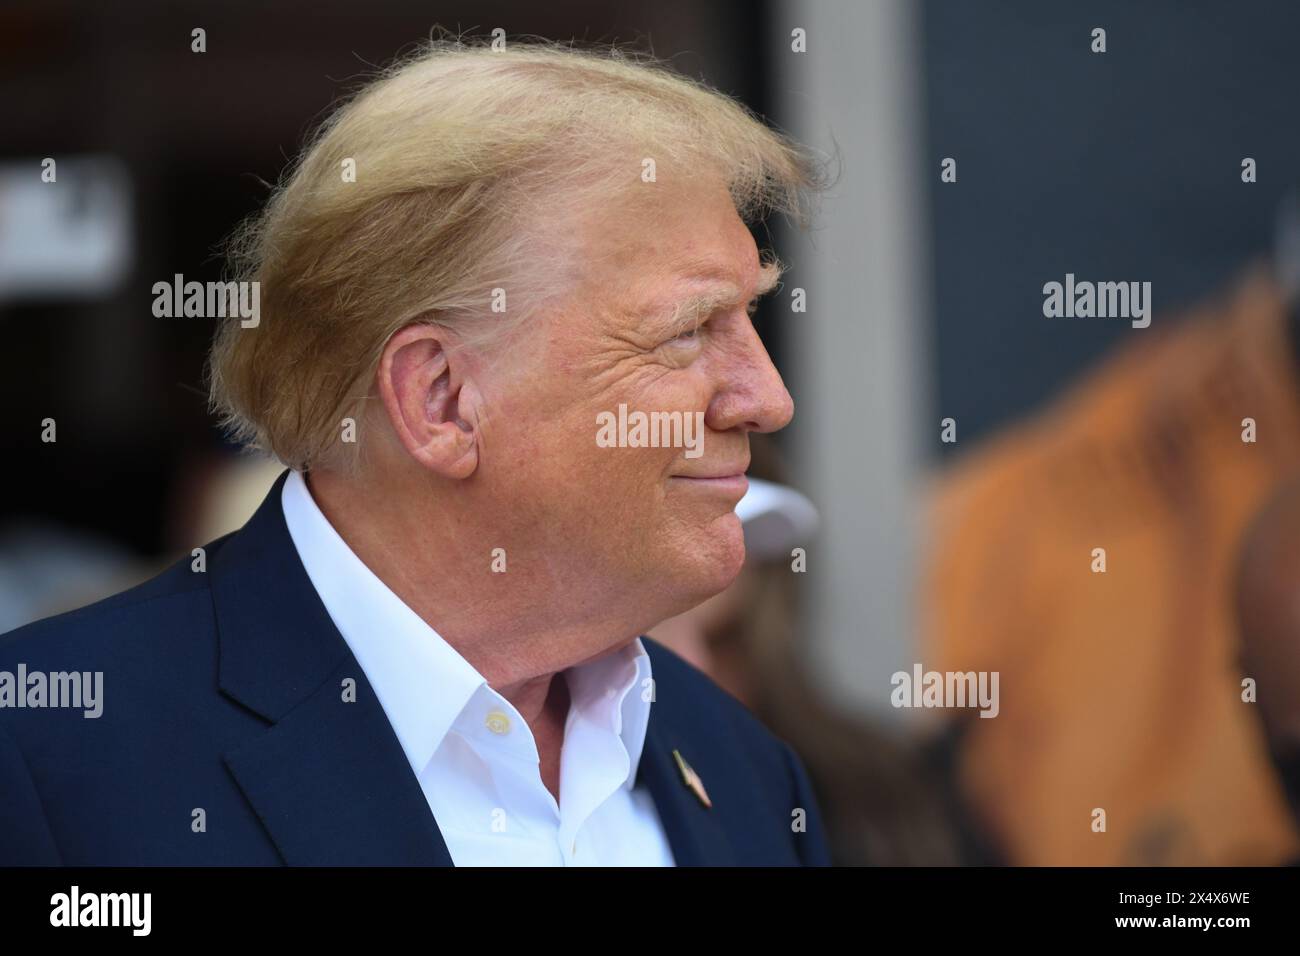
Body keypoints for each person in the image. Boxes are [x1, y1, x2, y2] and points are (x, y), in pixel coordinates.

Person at [0, 39, 832, 866]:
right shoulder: (47, 761)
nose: (767, 398)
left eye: (749, 318)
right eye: (689, 332)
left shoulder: (744, 769)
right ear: (439, 400)